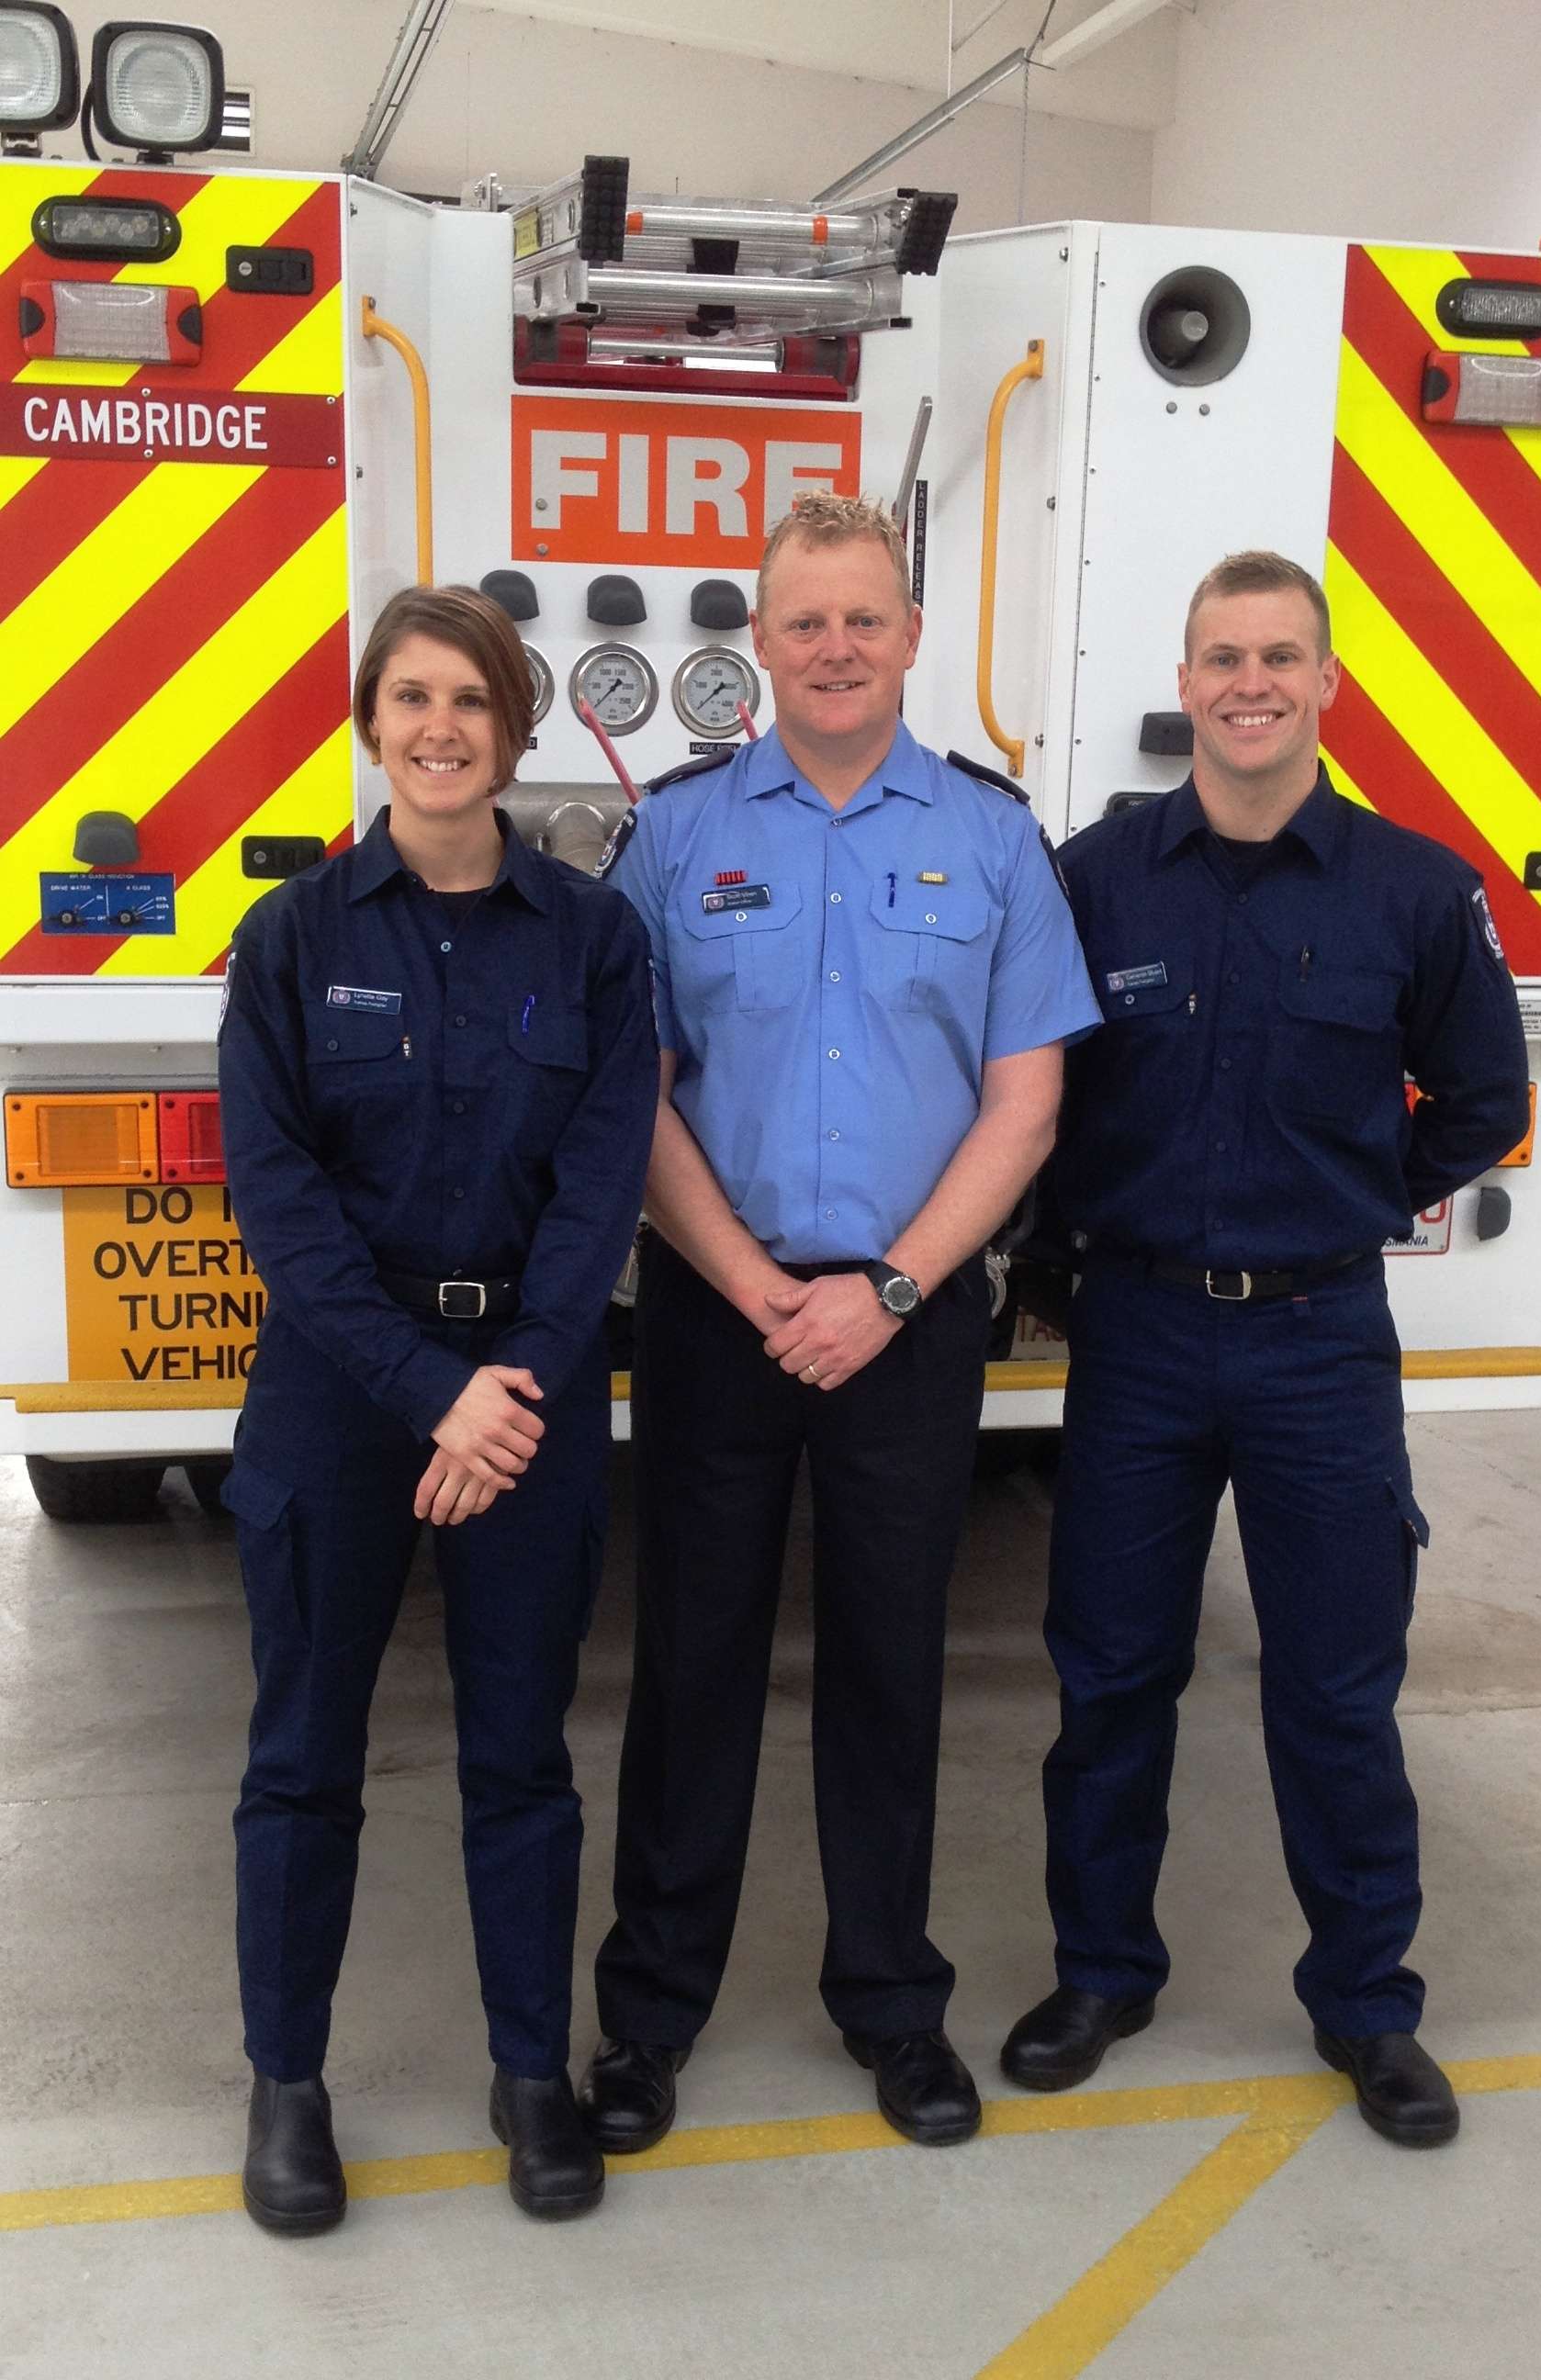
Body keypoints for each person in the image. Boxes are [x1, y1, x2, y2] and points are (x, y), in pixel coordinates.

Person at [579, 492, 1100, 2152]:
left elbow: (1024, 1104)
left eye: (864, 618)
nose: (835, 648)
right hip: (721, 1309)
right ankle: (649, 2017)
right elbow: (636, 1097)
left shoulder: (996, 838)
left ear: (912, 637)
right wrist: (750, 1284)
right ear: (760, 646)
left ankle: (892, 2007)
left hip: (910, 1315)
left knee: (893, 1668)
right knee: (693, 1663)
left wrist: (882, 1294)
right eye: (803, 622)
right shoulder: (674, 837)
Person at [1002, 551, 1530, 2147]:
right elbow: (1031, 1102)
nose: (1250, 682)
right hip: (1141, 1334)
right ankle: (1104, 1971)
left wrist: (1356, 1198)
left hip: (1320, 1339)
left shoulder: (1417, 891)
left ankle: (1367, 2005)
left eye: (1279, 656)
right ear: (1187, 678)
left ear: (1326, 682)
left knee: (1337, 1686)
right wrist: (1055, 1273)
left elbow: (1487, 1104)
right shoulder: (1096, 881)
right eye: (1223, 655)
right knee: (1111, 1676)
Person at [218, 583, 657, 2229]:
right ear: (371, 724)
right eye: (409, 697)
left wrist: (510, 1388)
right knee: (303, 1756)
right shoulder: (297, 939)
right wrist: (431, 1396)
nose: (440, 726)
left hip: (527, 1389)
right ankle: (288, 2084)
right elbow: (283, 1205)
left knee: (522, 1755)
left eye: (470, 698)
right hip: (341, 1392)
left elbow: (600, 1188)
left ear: (514, 726)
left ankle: (531, 2072)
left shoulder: (596, 941)